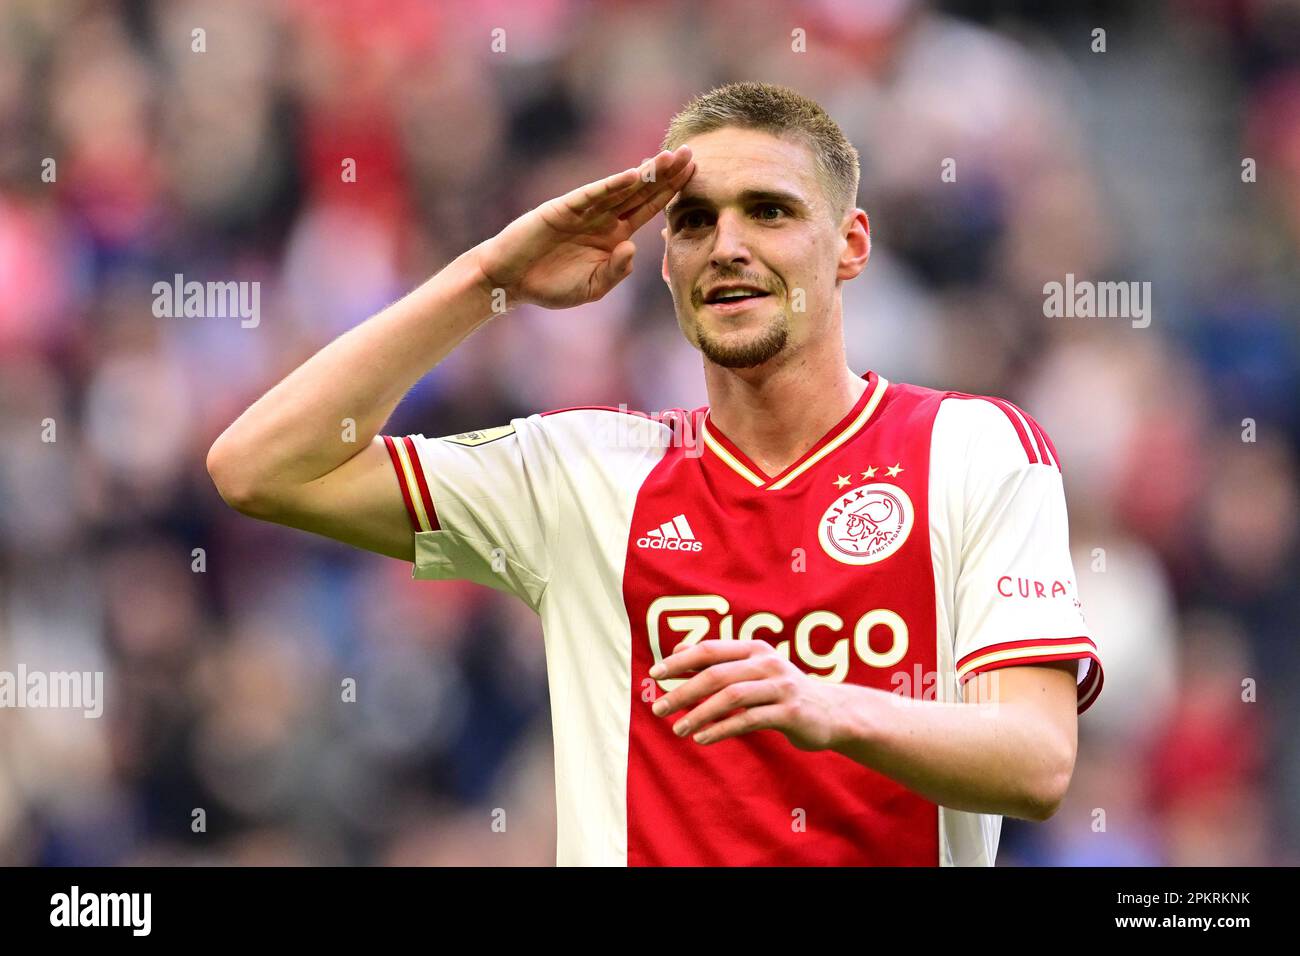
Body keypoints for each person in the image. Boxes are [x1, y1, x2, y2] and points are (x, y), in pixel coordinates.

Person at [207, 81, 1102, 866]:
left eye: (771, 210)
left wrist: (824, 703)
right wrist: (490, 277)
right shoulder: (586, 471)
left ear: (850, 245)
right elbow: (261, 468)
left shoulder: (971, 447)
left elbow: (1036, 761)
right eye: (695, 220)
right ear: (667, 261)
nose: (728, 245)